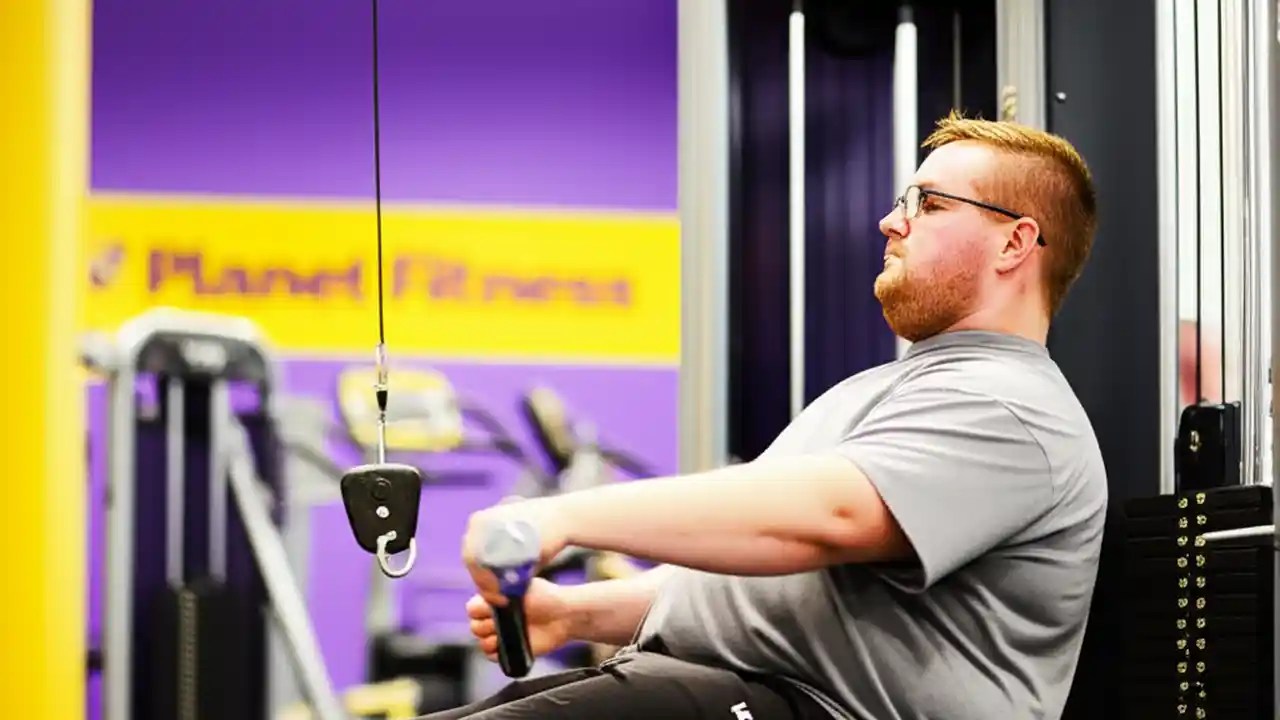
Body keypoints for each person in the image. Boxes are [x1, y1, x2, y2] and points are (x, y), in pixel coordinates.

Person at [429, 111, 1107, 720]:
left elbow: (827, 520)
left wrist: (561, 518)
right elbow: (774, 584)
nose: (891, 220)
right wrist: (575, 612)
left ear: (1015, 244)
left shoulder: (1011, 407)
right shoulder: (889, 392)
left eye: (927, 204)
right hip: (733, 688)